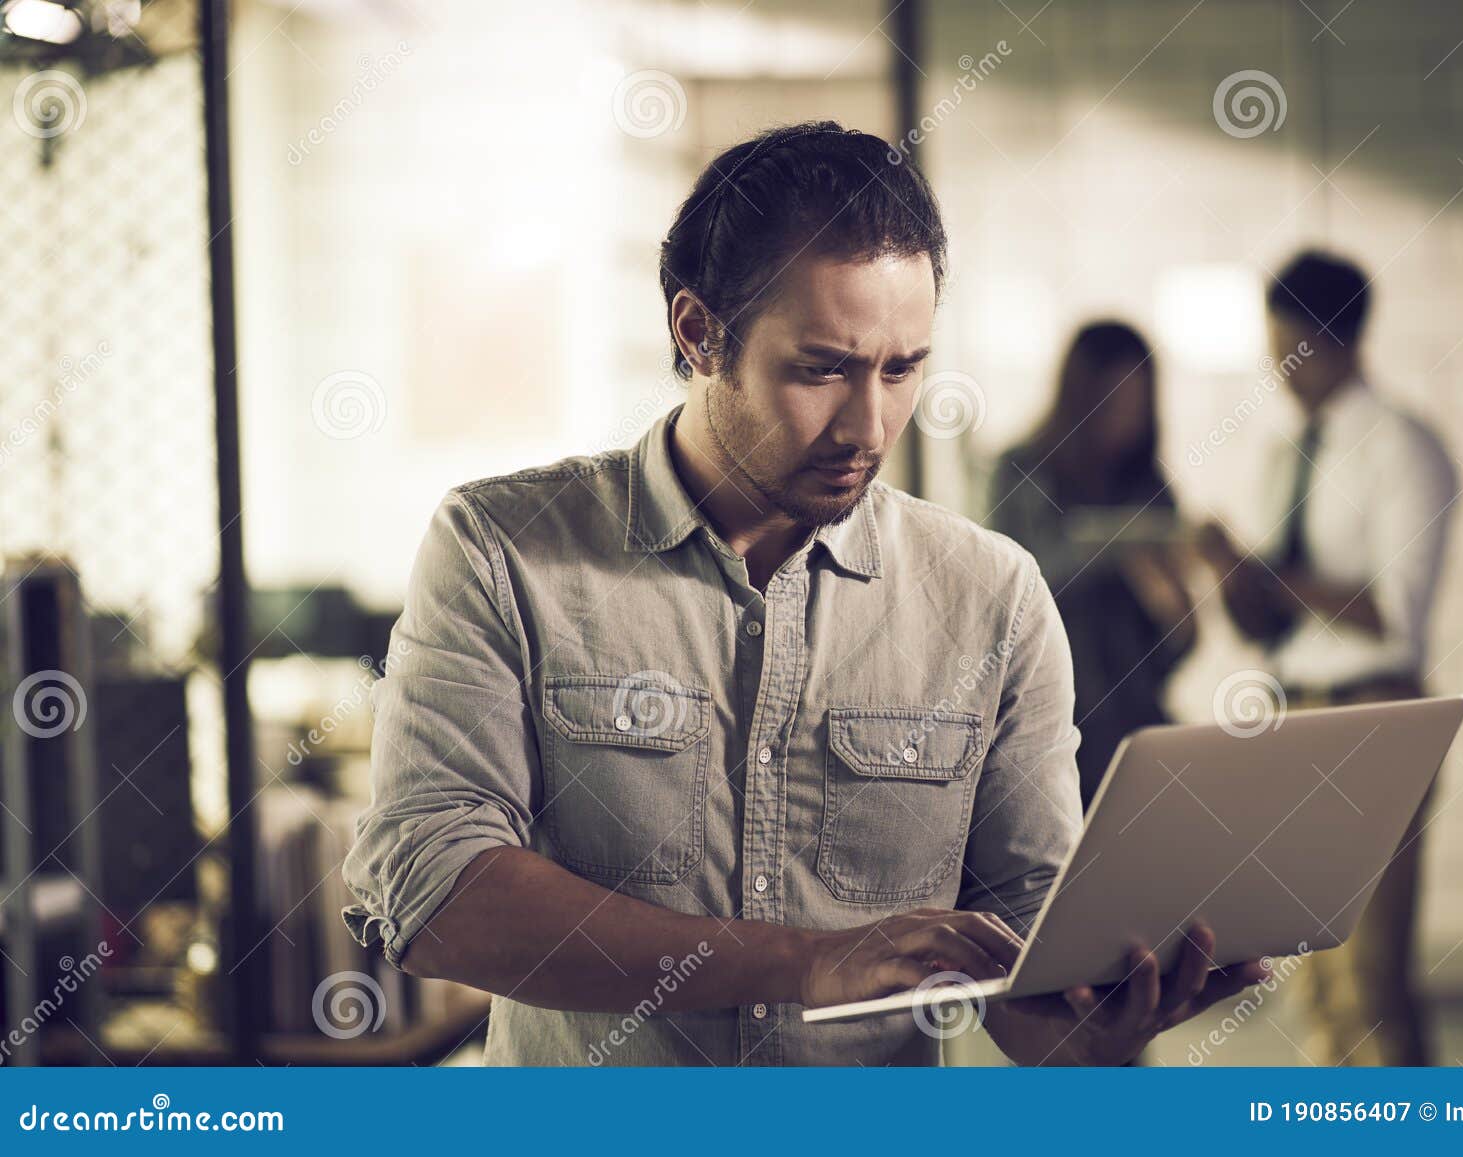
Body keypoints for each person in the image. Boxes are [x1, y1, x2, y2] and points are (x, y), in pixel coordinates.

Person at [340, 122, 1268, 1066]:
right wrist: (803, 962)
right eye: (822, 368)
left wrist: (1107, 1015)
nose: (869, 425)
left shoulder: (994, 597)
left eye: (901, 368)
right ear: (698, 333)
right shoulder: (503, 551)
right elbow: (433, 895)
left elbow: (1024, 998)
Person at [1195, 249, 1457, 1066]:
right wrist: (1227, 572)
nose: (1279, 371)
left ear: (1333, 340)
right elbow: (1270, 610)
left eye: (1288, 351)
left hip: (1374, 711)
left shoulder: (1405, 448)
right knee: (1311, 977)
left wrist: (1270, 574)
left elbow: (1394, 609)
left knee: (1370, 974)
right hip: (1292, 710)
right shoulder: (1284, 450)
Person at [990, 322, 1195, 808]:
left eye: (1137, 402)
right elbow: (1017, 584)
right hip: (1043, 723)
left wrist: (1174, 613)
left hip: (1135, 728)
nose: (1126, 416)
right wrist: (1120, 547)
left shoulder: (1150, 488)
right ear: (1082, 397)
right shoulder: (1022, 470)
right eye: (1113, 400)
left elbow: (1170, 652)